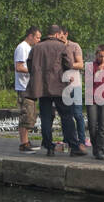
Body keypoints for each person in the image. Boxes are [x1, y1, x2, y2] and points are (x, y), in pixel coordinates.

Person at [25, 25, 82, 157]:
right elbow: (68, 65)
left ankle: (49, 147)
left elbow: (29, 65)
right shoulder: (62, 47)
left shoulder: (37, 47)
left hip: (42, 88)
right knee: (66, 116)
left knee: (45, 117)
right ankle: (74, 146)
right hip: (60, 87)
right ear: (57, 35)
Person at [13, 27, 41, 153]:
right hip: (23, 87)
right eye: (37, 37)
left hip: (29, 86)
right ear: (30, 35)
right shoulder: (22, 48)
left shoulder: (29, 48)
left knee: (31, 115)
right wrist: (34, 71)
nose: (38, 40)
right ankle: (23, 143)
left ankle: (26, 141)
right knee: (26, 115)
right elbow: (19, 67)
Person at [60, 27, 89, 149]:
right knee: (65, 115)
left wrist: (68, 65)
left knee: (77, 114)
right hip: (61, 86)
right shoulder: (56, 47)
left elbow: (81, 64)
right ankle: (67, 140)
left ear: (66, 34)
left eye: (61, 36)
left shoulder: (74, 46)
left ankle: (81, 140)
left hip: (75, 85)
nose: (59, 38)